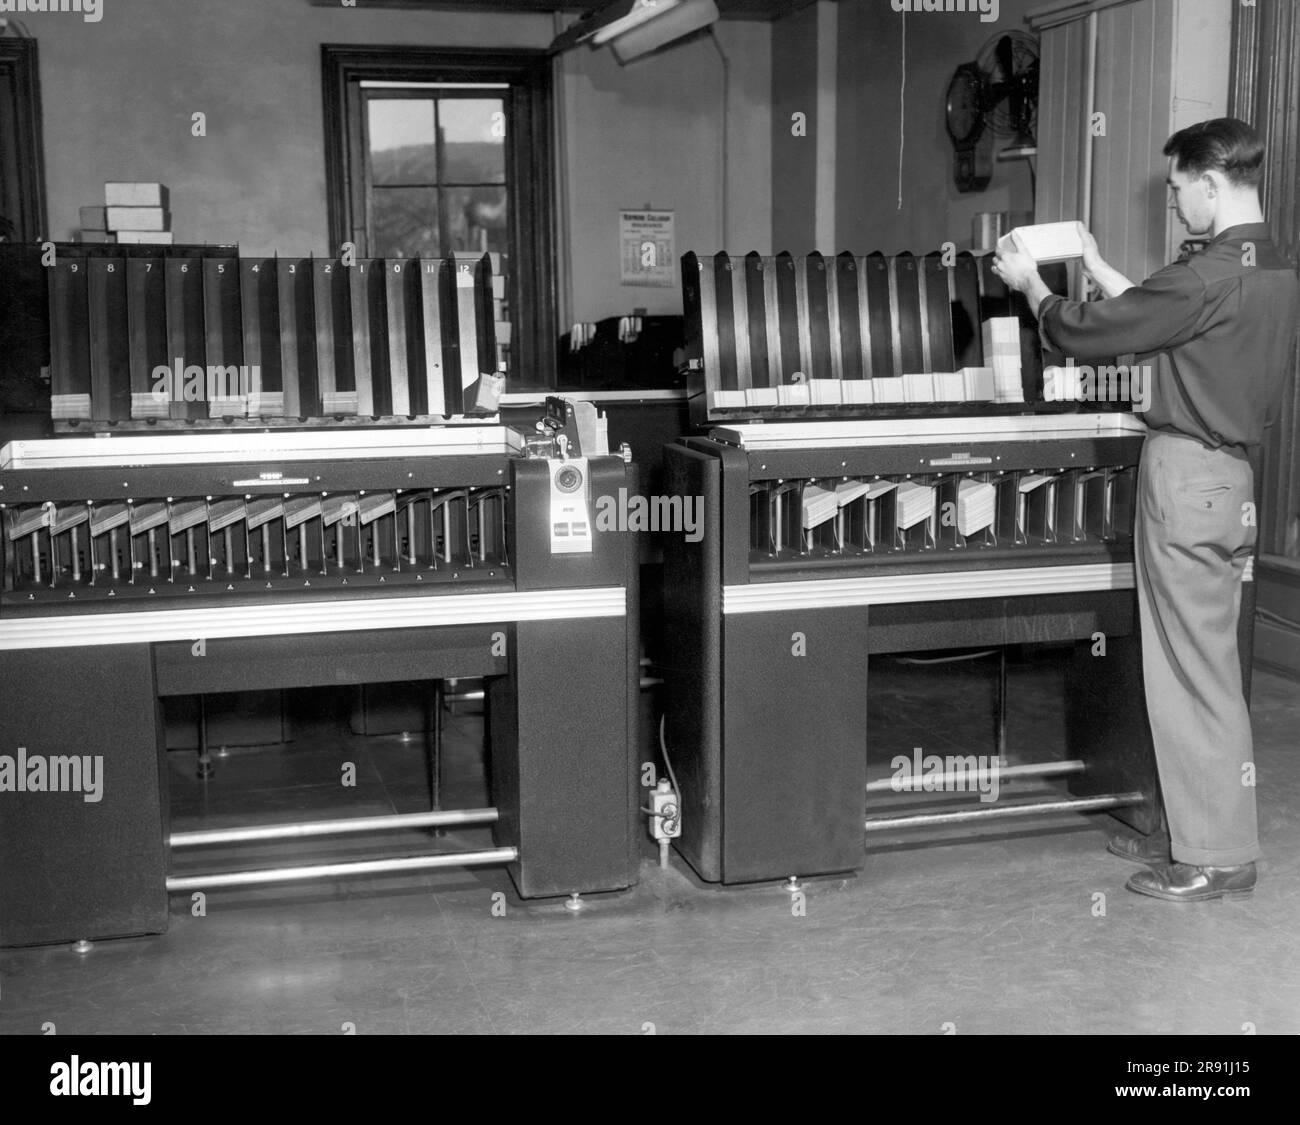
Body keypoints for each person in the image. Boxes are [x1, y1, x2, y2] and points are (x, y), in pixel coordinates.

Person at [992, 117, 1299, 902]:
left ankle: (1214, 856)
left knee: (1185, 674)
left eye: (1176, 189)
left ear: (1210, 181)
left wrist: (1036, 288)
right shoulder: (1271, 269)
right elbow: (1173, 322)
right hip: (1233, 487)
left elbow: (1081, 333)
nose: (1173, 204)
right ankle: (1205, 834)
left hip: (1185, 477)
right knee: (1212, 668)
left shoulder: (1204, 275)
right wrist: (1097, 263)